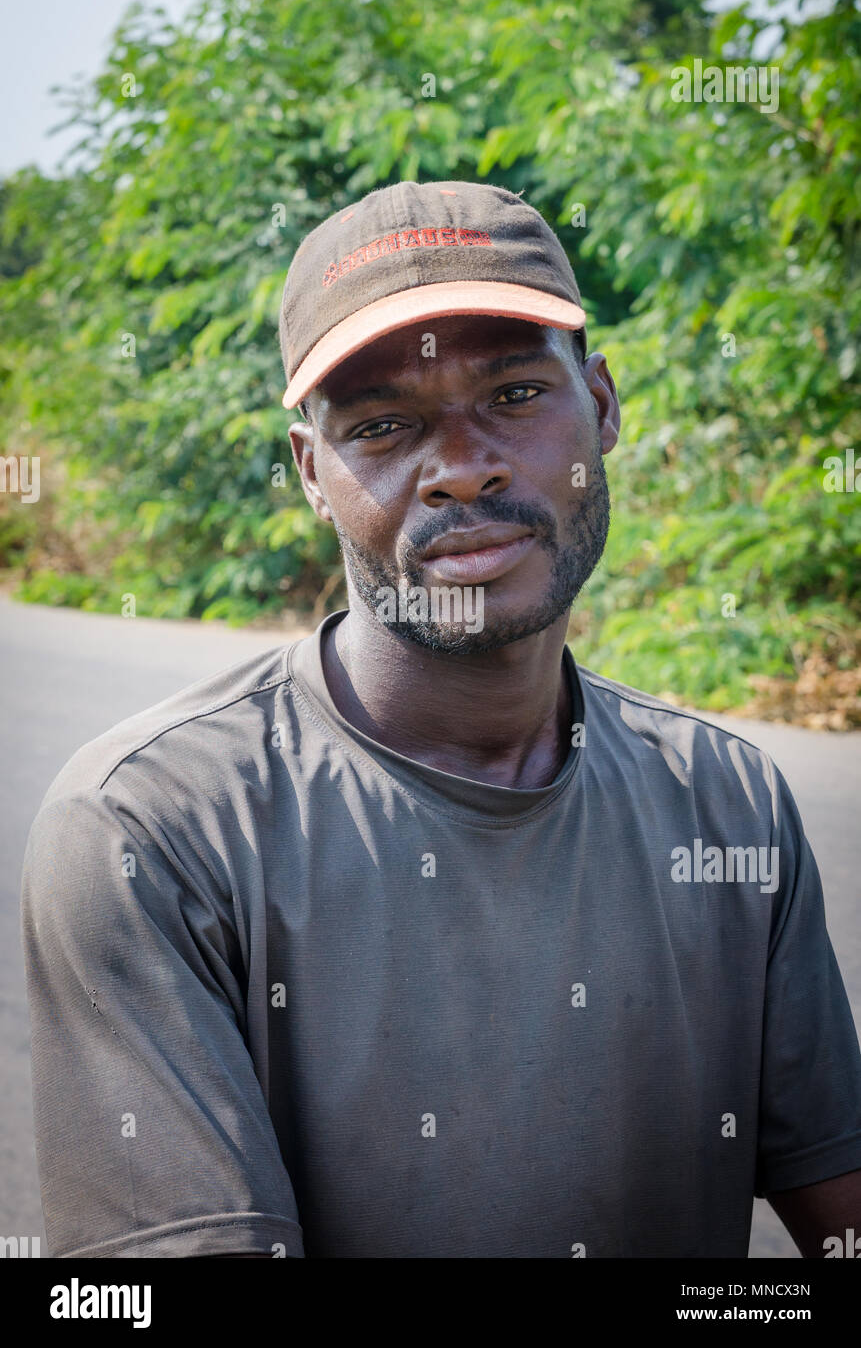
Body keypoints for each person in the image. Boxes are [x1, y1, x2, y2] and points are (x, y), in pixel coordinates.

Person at [21, 180, 861, 1259]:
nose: (462, 468)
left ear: (602, 406)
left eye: (513, 394)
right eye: (380, 425)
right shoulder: (146, 833)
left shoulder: (729, 802)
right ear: (312, 473)